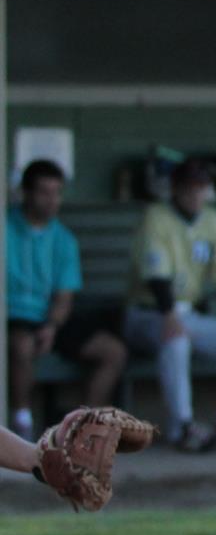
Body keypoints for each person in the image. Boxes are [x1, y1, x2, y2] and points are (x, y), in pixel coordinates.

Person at [123, 160, 216, 452]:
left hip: (189, 313)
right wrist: (169, 317)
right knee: (176, 339)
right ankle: (183, 427)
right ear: (175, 190)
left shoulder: (213, 221)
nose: (195, 194)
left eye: (201, 187)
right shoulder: (156, 216)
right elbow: (157, 278)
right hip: (147, 312)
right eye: (189, 188)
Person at [7, 160, 129, 439]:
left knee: (113, 352)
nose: (51, 200)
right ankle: (21, 422)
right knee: (22, 345)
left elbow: (64, 297)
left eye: (57, 192)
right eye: (44, 192)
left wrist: (51, 326)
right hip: (12, 315)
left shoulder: (64, 240)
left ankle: (80, 430)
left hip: (48, 317)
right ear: (26, 193)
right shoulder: (6, 228)